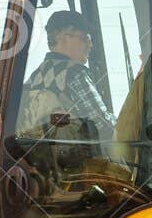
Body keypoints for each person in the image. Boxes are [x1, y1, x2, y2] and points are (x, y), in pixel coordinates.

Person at [17, 9, 110, 139]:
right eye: (84, 38)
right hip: (74, 157)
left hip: (38, 157)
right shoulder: (75, 73)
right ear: (64, 37)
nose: (90, 44)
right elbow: (102, 124)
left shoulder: (34, 78)